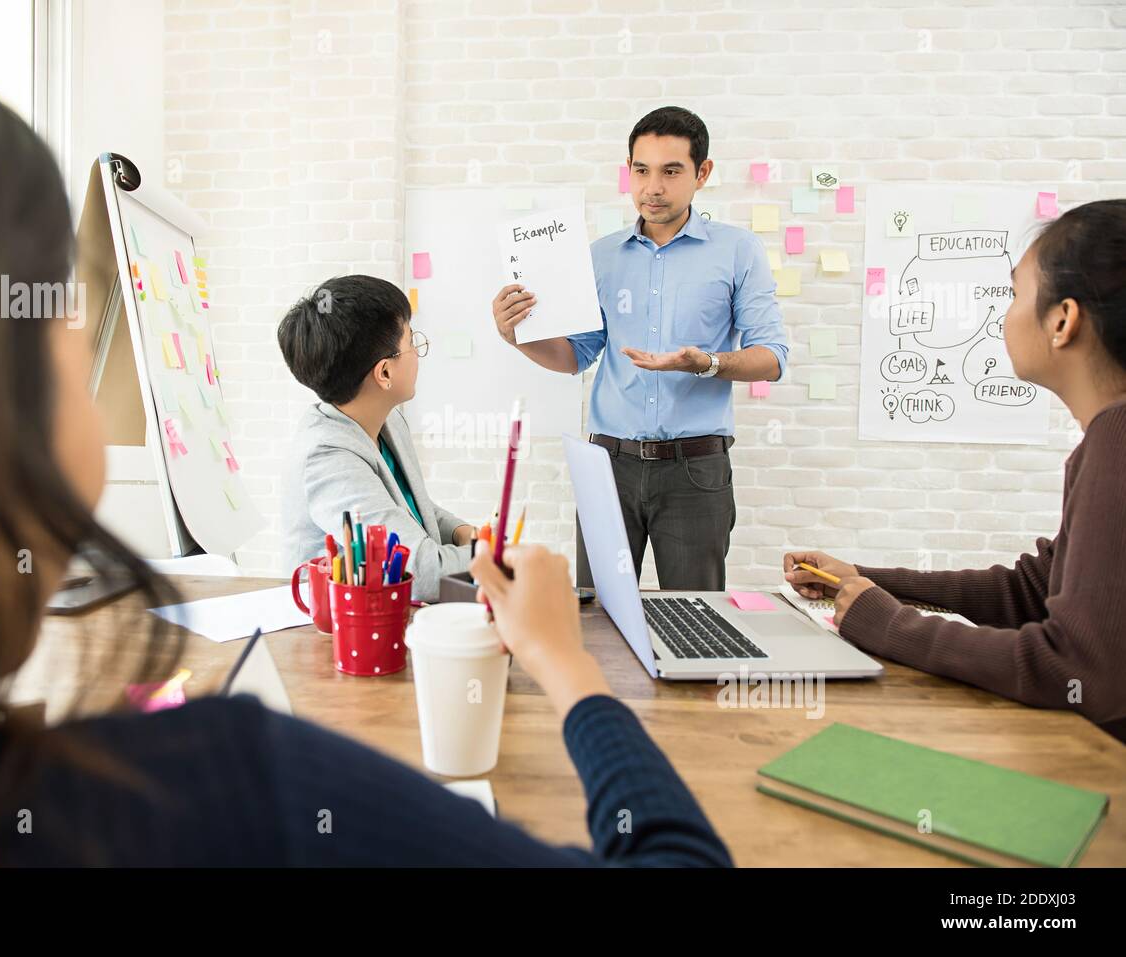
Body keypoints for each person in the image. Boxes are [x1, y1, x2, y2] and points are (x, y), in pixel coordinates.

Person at [0, 8, 732, 867]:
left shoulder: (391, 424)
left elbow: (423, 522)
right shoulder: (224, 780)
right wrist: (565, 664)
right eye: (55, 308)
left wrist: (461, 535)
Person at [785, 199, 1126, 744]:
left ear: (1062, 321)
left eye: (1015, 294)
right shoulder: (1110, 437)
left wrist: (888, 624)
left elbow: (1080, 672)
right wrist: (862, 580)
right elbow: (1032, 591)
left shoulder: (1116, 443)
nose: (1003, 314)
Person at [492, 106, 788, 592]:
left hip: (696, 472)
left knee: (697, 619)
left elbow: (772, 358)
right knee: (599, 619)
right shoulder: (601, 255)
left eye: (671, 171)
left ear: (702, 173)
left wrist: (705, 363)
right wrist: (519, 337)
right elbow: (576, 356)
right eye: (641, 170)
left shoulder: (738, 251)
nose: (653, 187)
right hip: (608, 466)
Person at [277, 275, 477, 601]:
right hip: (336, 632)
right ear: (384, 373)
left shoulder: (388, 420)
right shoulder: (327, 458)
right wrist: (498, 557)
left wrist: (461, 533)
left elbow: (408, 507)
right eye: (411, 341)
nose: (418, 351)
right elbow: (419, 571)